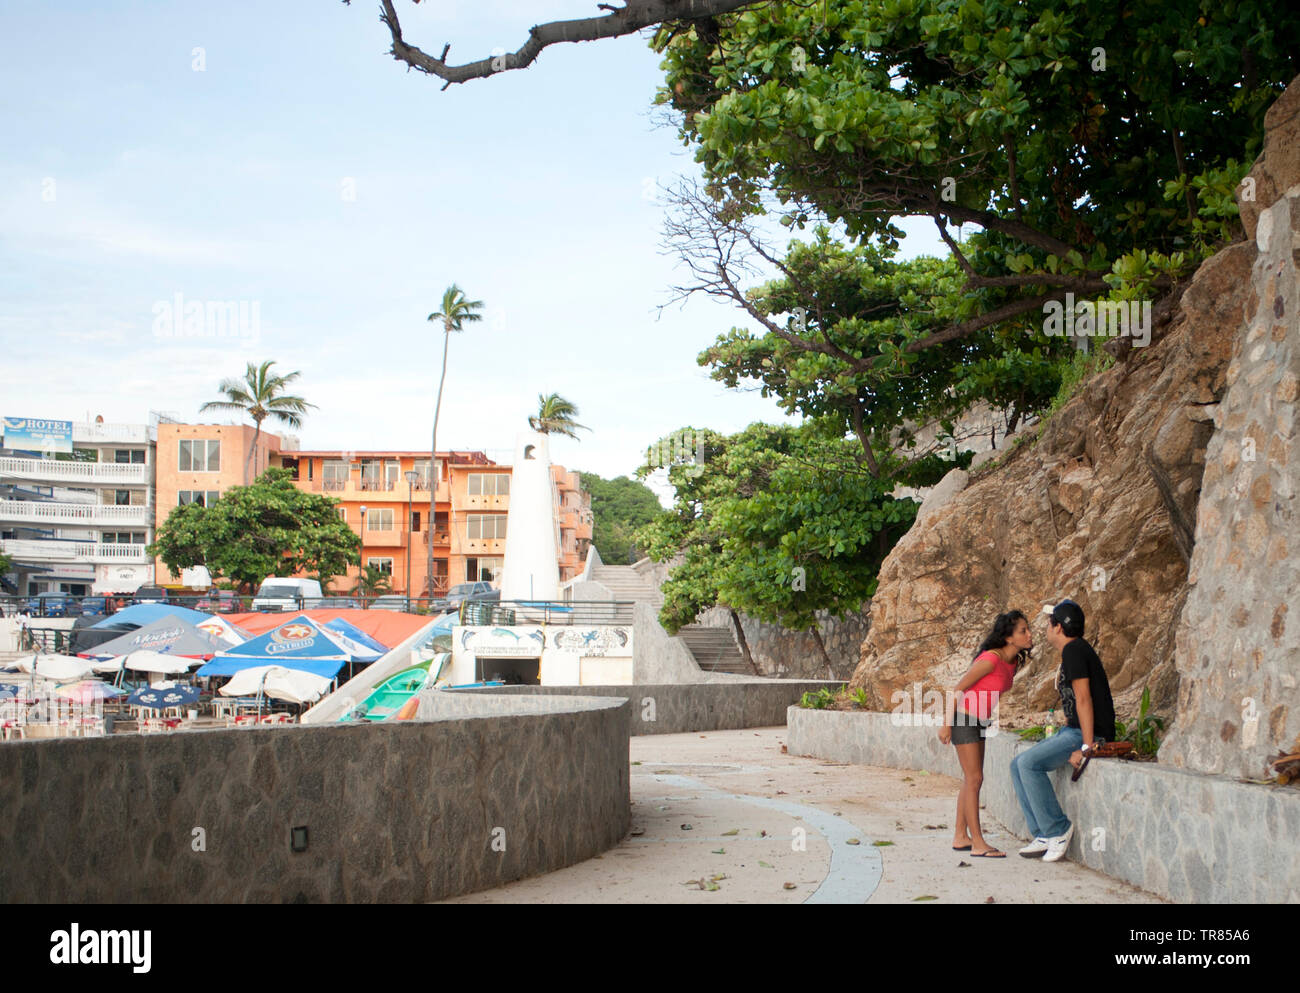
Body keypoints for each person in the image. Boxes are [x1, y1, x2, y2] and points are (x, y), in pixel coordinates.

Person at [1010, 599, 1116, 863]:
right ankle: (1043, 834)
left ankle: (1058, 829)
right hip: (1075, 730)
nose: (1046, 627)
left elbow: (1083, 699)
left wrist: (1087, 746)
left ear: (1058, 628)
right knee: (1016, 764)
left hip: (1087, 734)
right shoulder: (1075, 650)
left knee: (1028, 765)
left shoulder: (1074, 651)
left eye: (1050, 622)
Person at [938, 610, 1031, 857]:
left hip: (980, 721)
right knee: (974, 778)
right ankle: (978, 842)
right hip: (964, 719)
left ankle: (961, 836)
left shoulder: (1011, 662)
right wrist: (946, 724)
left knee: (971, 779)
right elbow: (958, 688)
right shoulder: (991, 659)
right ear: (1009, 637)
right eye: (1023, 630)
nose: (1029, 634)